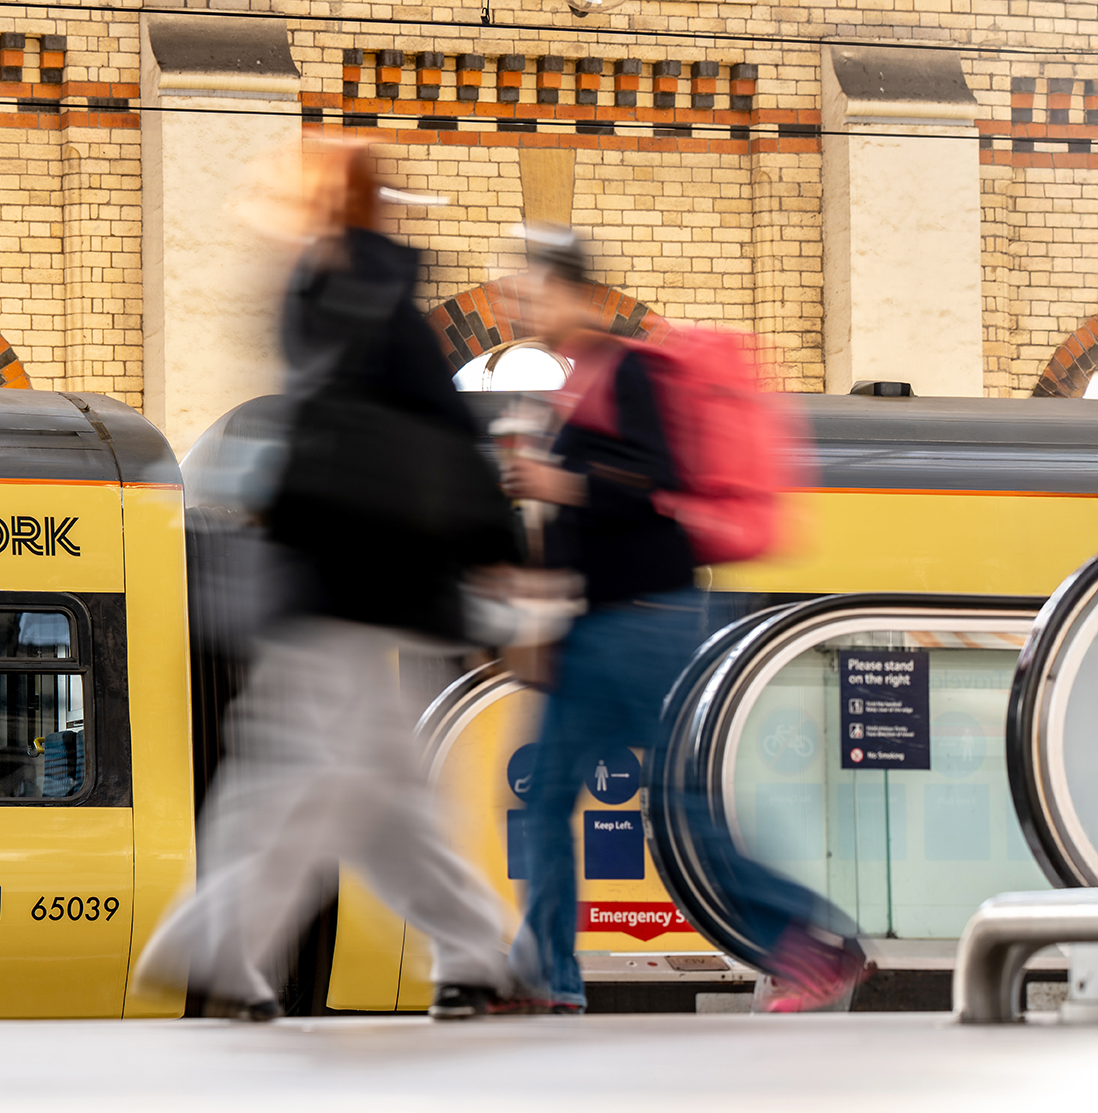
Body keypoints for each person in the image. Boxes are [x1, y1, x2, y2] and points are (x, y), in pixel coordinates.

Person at [134, 141, 523, 1022]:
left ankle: (237, 948)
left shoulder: (325, 299)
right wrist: (501, 546)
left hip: (330, 580)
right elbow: (445, 428)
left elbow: (397, 431)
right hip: (354, 583)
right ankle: (462, 952)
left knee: (333, 780)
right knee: (348, 786)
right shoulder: (366, 294)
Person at [504, 226, 864, 1014]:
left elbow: (651, 483)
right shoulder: (568, 389)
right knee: (547, 800)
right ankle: (548, 979)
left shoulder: (625, 371)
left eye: (530, 284)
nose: (520, 299)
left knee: (683, 806)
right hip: (592, 628)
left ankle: (810, 942)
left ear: (567, 290)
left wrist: (553, 482)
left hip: (647, 621)